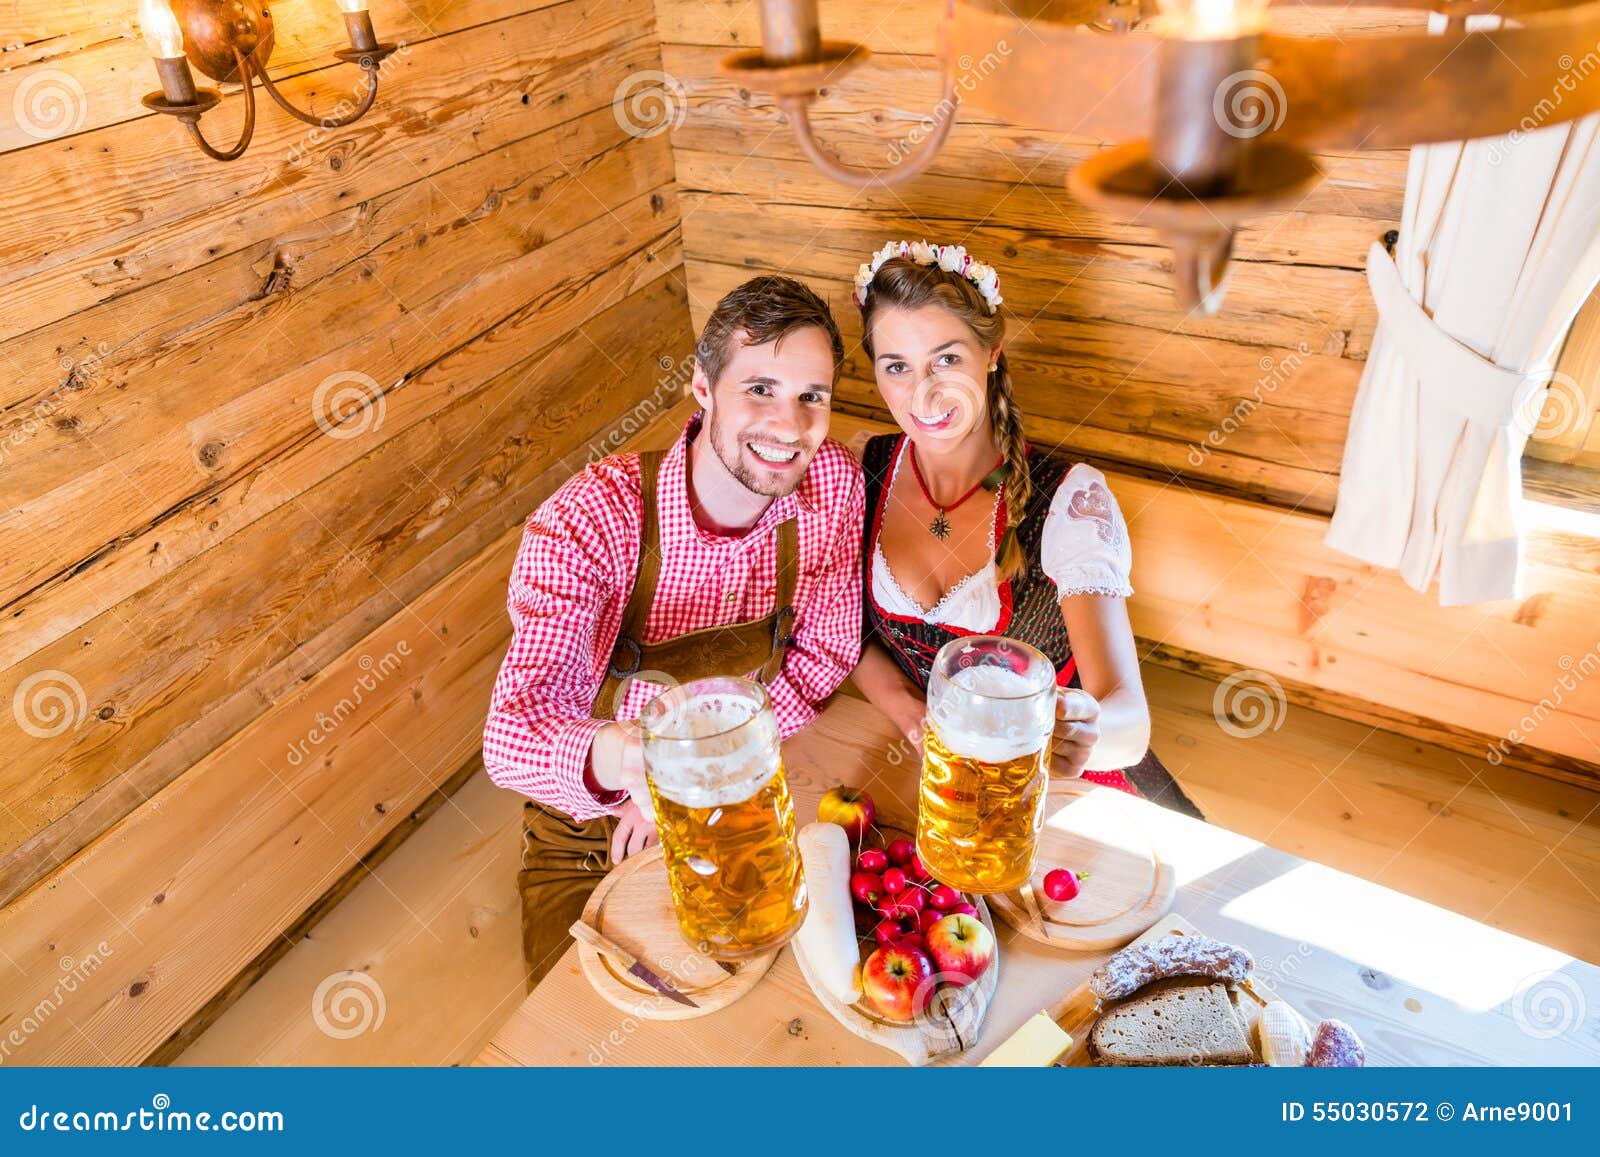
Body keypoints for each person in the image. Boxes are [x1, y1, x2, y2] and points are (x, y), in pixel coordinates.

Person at [482, 276, 866, 988]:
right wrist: (638, 772)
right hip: (594, 826)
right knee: (582, 1036)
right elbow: (512, 735)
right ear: (701, 387)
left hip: (750, 786)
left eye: (812, 396)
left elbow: (823, 655)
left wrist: (718, 770)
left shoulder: (832, 484)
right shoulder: (590, 519)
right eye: (760, 389)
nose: (790, 425)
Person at [846, 240, 1200, 815]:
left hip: (1069, 789)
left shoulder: (1069, 499)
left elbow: (1129, 725)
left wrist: (1081, 728)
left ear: (991, 352)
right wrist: (912, 716)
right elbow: (843, 629)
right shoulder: (863, 468)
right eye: (897, 367)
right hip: (931, 777)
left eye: (947, 359)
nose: (923, 393)